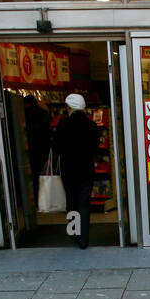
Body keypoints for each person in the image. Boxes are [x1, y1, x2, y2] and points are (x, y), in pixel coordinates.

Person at [53, 92, 100, 248]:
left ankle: (74, 233)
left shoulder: (63, 125)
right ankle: (84, 240)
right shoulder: (92, 126)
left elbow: (56, 147)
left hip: (69, 170)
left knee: (72, 203)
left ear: (70, 108)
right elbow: (95, 148)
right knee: (84, 204)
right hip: (86, 170)